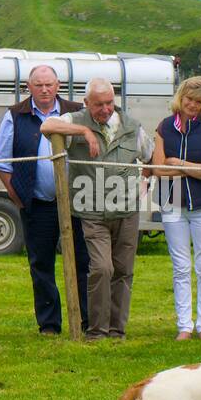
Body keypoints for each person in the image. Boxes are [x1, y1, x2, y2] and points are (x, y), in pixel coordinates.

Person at [42, 78, 153, 340]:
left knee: (123, 270)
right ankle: (97, 329)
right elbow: (46, 125)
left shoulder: (132, 128)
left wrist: (146, 181)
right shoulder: (75, 120)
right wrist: (84, 132)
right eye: (99, 104)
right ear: (86, 103)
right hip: (91, 211)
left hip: (127, 210)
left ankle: (117, 330)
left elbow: (150, 157)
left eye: (109, 103)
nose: (105, 109)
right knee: (102, 268)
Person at [0, 65, 89, 335]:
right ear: (29, 86)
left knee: (83, 261)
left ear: (58, 85)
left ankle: (85, 320)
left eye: (49, 84)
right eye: (39, 85)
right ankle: (49, 324)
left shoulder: (77, 111)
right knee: (41, 264)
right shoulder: (15, 115)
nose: (45, 90)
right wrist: (19, 198)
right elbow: (2, 163)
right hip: (37, 204)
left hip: (77, 203)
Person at [150, 75, 201, 340]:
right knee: (180, 266)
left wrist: (177, 163)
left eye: (198, 102)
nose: (192, 105)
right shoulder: (164, 127)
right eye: (189, 99)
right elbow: (158, 168)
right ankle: (184, 325)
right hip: (173, 204)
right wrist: (192, 170)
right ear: (181, 98)